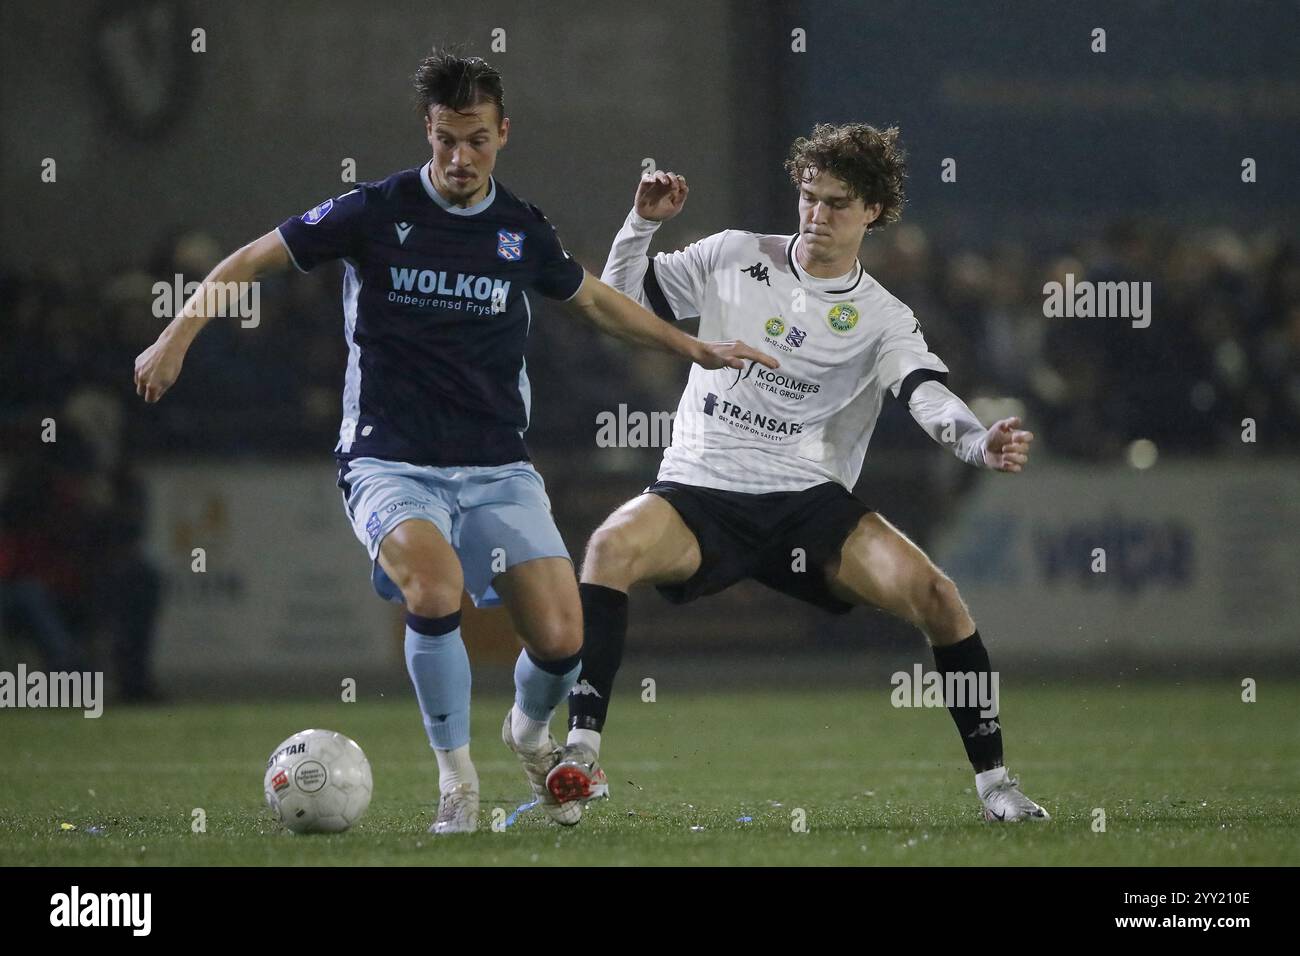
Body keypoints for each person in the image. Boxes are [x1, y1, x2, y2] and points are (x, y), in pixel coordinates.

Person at [133, 49, 775, 834]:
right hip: (388, 459)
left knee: (565, 638)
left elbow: (601, 306)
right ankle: (457, 783)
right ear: (426, 132)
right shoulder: (374, 209)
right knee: (434, 593)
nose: (459, 157)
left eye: (475, 139)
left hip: (498, 467)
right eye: (444, 140)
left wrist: (696, 349)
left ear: (503, 134)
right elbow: (249, 260)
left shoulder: (521, 230)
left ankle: (527, 733)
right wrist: (176, 336)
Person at [551, 123, 1049, 824]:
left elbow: (924, 393)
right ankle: (580, 752)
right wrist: (640, 224)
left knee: (938, 598)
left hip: (809, 506)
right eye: (809, 197)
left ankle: (997, 784)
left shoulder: (883, 316)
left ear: (874, 209)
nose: (817, 214)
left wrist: (974, 442)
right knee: (609, 547)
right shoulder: (733, 254)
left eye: (837, 202)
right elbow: (621, 306)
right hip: (702, 489)